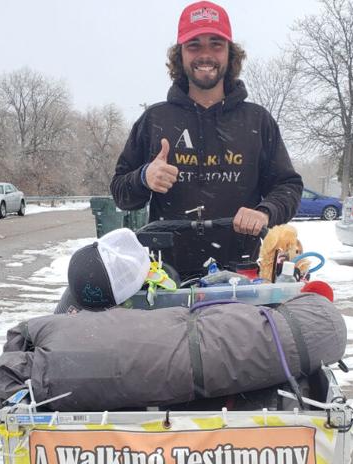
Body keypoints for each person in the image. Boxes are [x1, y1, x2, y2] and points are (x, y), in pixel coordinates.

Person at [111, 0, 303, 281]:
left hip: (243, 275)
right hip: (165, 278)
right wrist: (143, 177)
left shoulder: (257, 121)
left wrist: (264, 213)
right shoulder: (155, 120)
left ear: (230, 53)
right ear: (180, 55)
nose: (205, 54)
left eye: (216, 44)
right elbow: (120, 192)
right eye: (194, 45)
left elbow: (288, 186)